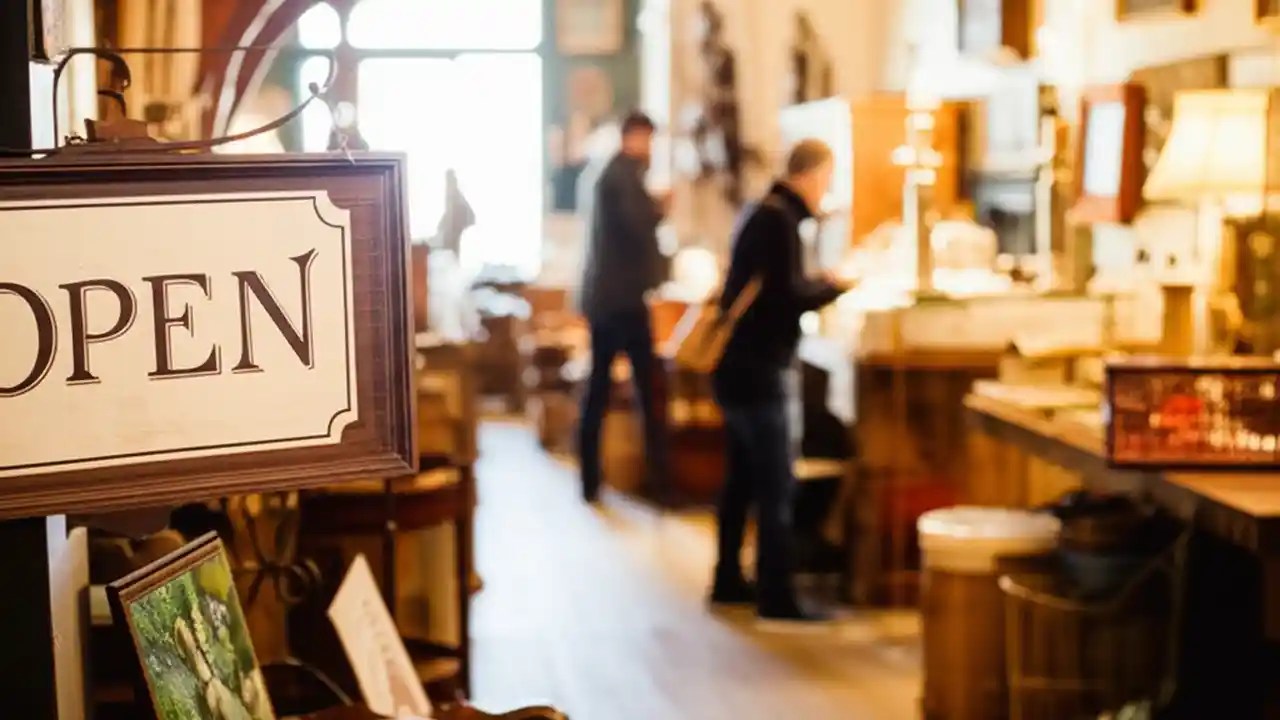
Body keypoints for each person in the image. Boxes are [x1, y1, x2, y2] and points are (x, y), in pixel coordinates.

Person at [709, 139, 848, 622]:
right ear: (811, 176)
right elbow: (787, 297)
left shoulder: (760, 210)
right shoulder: (780, 220)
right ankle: (776, 593)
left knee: (741, 480)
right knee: (774, 486)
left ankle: (728, 578)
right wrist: (834, 285)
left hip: (735, 367)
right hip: (761, 367)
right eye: (826, 180)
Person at [576, 110, 670, 503]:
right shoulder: (625, 174)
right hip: (624, 302)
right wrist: (660, 208)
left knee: (598, 389)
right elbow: (637, 225)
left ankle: (591, 480)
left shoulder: (605, 173)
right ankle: (660, 484)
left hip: (605, 299)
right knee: (646, 392)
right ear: (635, 136)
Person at [435, 168, 475, 256]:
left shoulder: (454, 193)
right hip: (453, 227)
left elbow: (457, 209)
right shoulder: (453, 192)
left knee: (453, 247)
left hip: (456, 226)